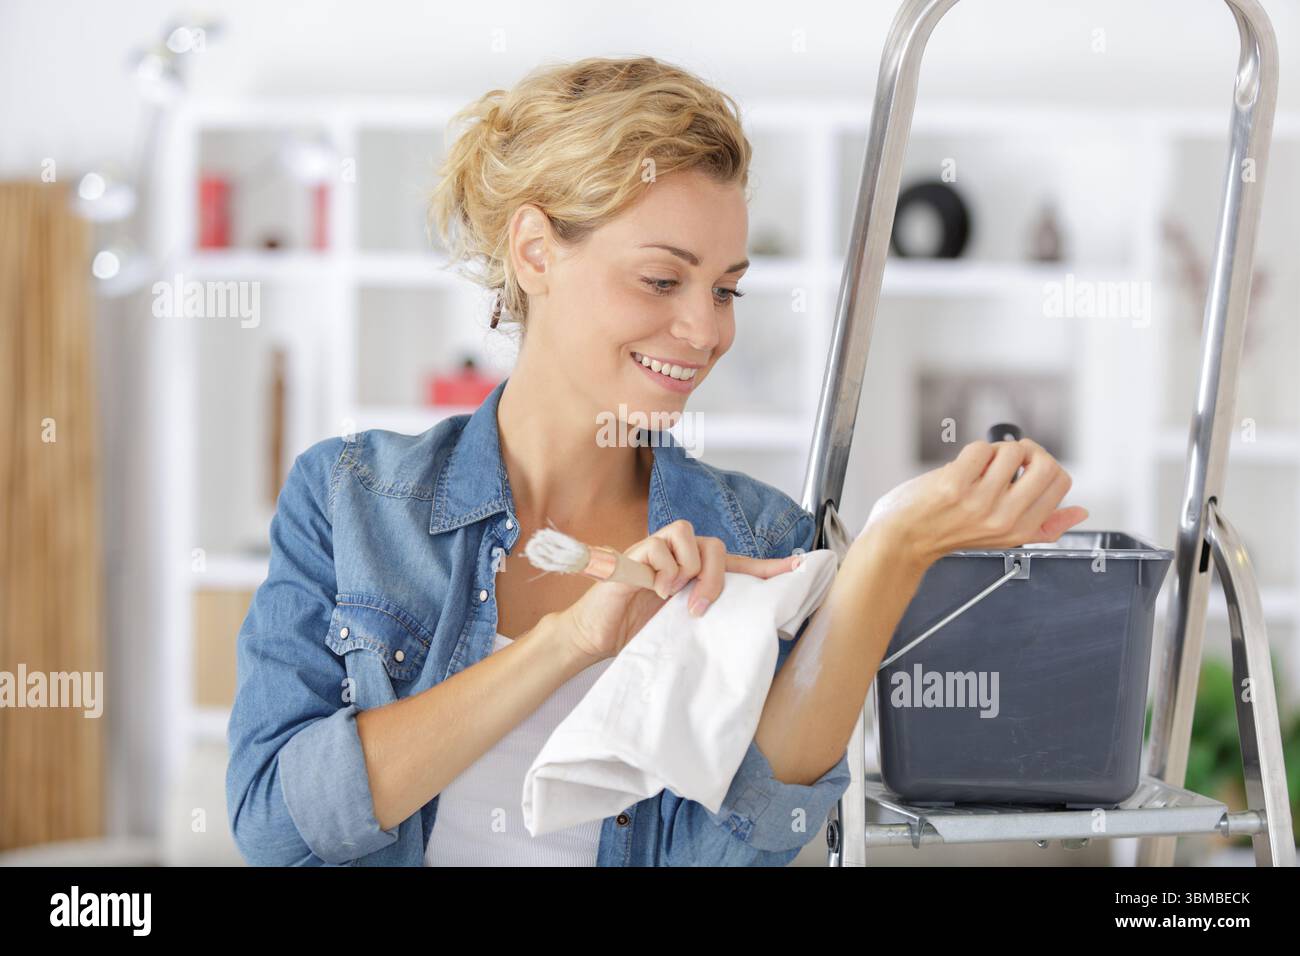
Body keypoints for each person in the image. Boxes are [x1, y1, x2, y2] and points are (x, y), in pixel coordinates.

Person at [225, 55, 1088, 867]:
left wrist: (895, 550)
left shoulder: (750, 535)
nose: (706, 330)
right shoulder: (354, 498)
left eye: (725, 288)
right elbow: (274, 823)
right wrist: (570, 641)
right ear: (535, 253)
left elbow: (733, 851)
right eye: (662, 280)